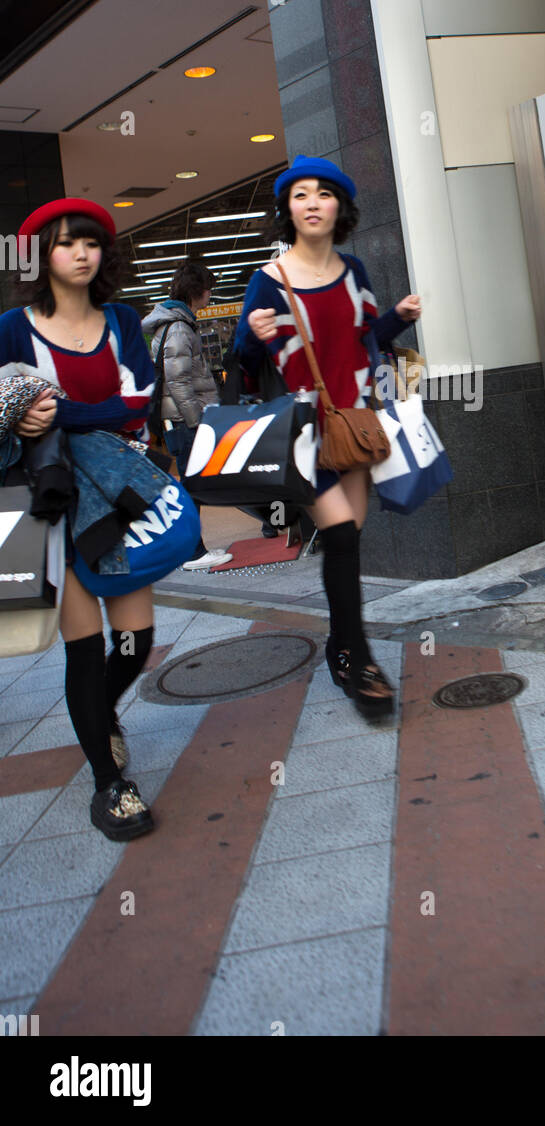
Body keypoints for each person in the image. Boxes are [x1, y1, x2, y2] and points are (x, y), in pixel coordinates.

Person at [233, 156, 421, 718]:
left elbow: (366, 341)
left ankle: (341, 648)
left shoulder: (355, 270)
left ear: (340, 206)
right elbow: (242, 366)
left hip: (355, 426)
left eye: (324, 194)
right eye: (300, 195)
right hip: (302, 431)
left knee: (347, 542)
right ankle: (359, 659)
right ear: (287, 209)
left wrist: (398, 318)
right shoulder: (268, 280)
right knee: (338, 531)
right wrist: (254, 336)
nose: (312, 203)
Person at [0, 199, 158, 841]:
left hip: (116, 497)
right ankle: (109, 784)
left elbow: (139, 401)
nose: (80, 252)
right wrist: (17, 415)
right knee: (84, 648)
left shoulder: (122, 319)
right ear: (42, 257)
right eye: (65, 243)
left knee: (136, 640)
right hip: (47, 502)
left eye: (90, 242)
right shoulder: (13, 326)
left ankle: (102, 717)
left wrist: (59, 414)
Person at [142, 261, 232, 571]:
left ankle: (193, 549)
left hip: (180, 421)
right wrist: (198, 421)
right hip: (186, 422)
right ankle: (193, 553)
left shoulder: (175, 323)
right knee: (193, 489)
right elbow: (178, 382)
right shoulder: (179, 328)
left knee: (194, 486)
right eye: (208, 289)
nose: (210, 296)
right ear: (196, 291)